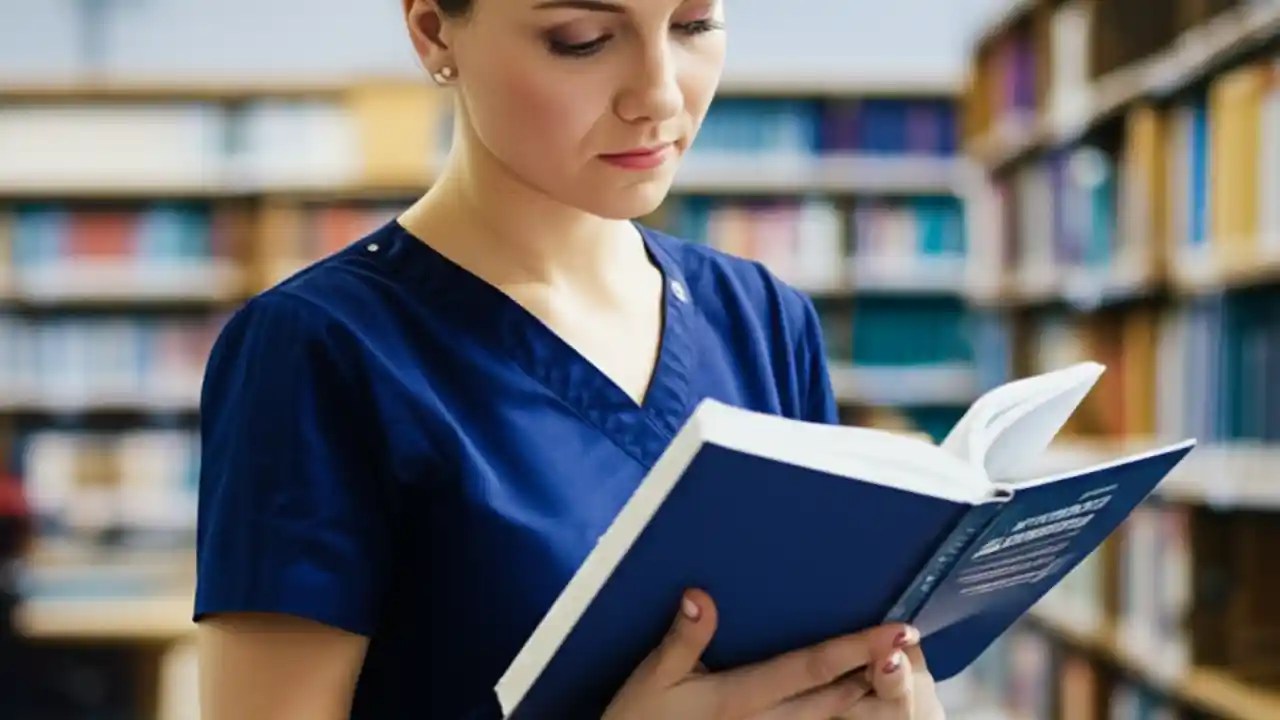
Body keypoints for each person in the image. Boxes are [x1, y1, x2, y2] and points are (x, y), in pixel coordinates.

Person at [192, 1, 948, 718]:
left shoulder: (763, 321)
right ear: (432, 30)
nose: (657, 95)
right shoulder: (318, 350)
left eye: (693, 24)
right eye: (582, 39)